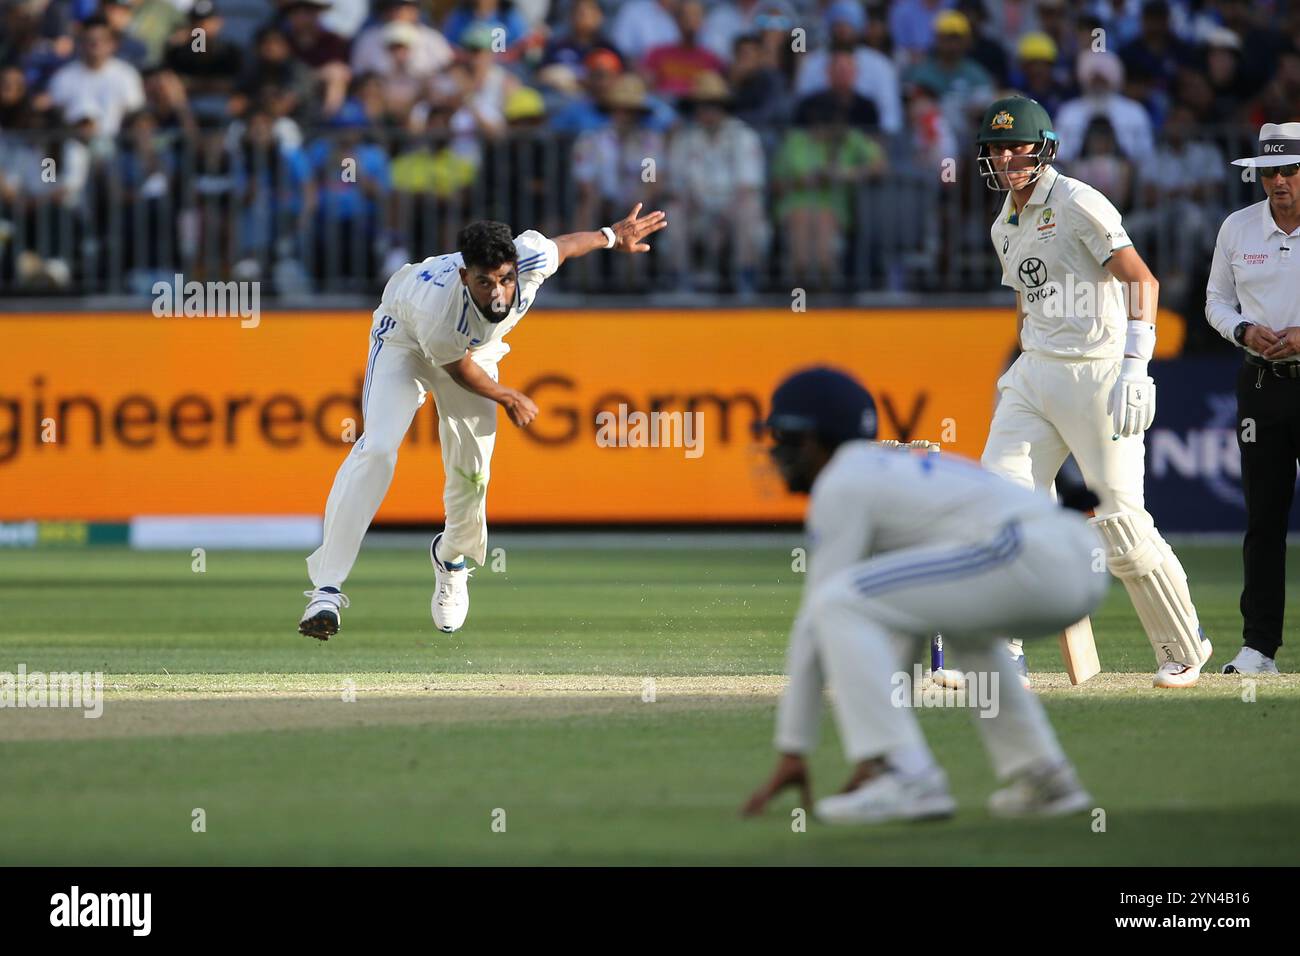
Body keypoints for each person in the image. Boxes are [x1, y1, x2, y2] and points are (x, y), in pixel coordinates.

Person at [741, 367, 1105, 825]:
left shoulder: (843, 481)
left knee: (837, 599)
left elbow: (820, 616)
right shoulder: (891, 472)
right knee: (960, 627)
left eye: (783, 437)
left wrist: (794, 746)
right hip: (1070, 556)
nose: (776, 452)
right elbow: (906, 624)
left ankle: (908, 777)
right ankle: (1045, 777)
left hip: (1033, 555)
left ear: (815, 439)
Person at [299, 207, 667, 638]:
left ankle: (450, 558)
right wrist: (507, 394)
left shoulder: (530, 257)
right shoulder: (440, 309)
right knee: (378, 447)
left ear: (517, 266)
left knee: (472, 475)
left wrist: (609, 235)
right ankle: (326, 590)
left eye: (505, 279)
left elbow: (565, 247)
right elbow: (456, 368)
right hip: (405, 338)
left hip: (474, 351)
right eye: (484, 282)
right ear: (464, 277)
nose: (498, 294)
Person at [976, 94, 1212, 689]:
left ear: (1044, 148)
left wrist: (1136, 366)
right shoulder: (1003, 221)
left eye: (1017, 146)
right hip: (1036, 372)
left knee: (1120, 521)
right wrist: (1025, 359)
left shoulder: (1079, 200)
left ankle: (1183, 647)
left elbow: (1142, 279)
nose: (1006, 158)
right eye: (996, 148)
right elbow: (1027, 299)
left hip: (1099, 371)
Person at [1205, 122, 1300, 676]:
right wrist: (1242, 330)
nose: (1278, 183)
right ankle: (1259, 648)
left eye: (1288, 171)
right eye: (1269, 172)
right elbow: (1216, 299)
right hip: (1262, 384)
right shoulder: (1238, 228)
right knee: (1263, 519)